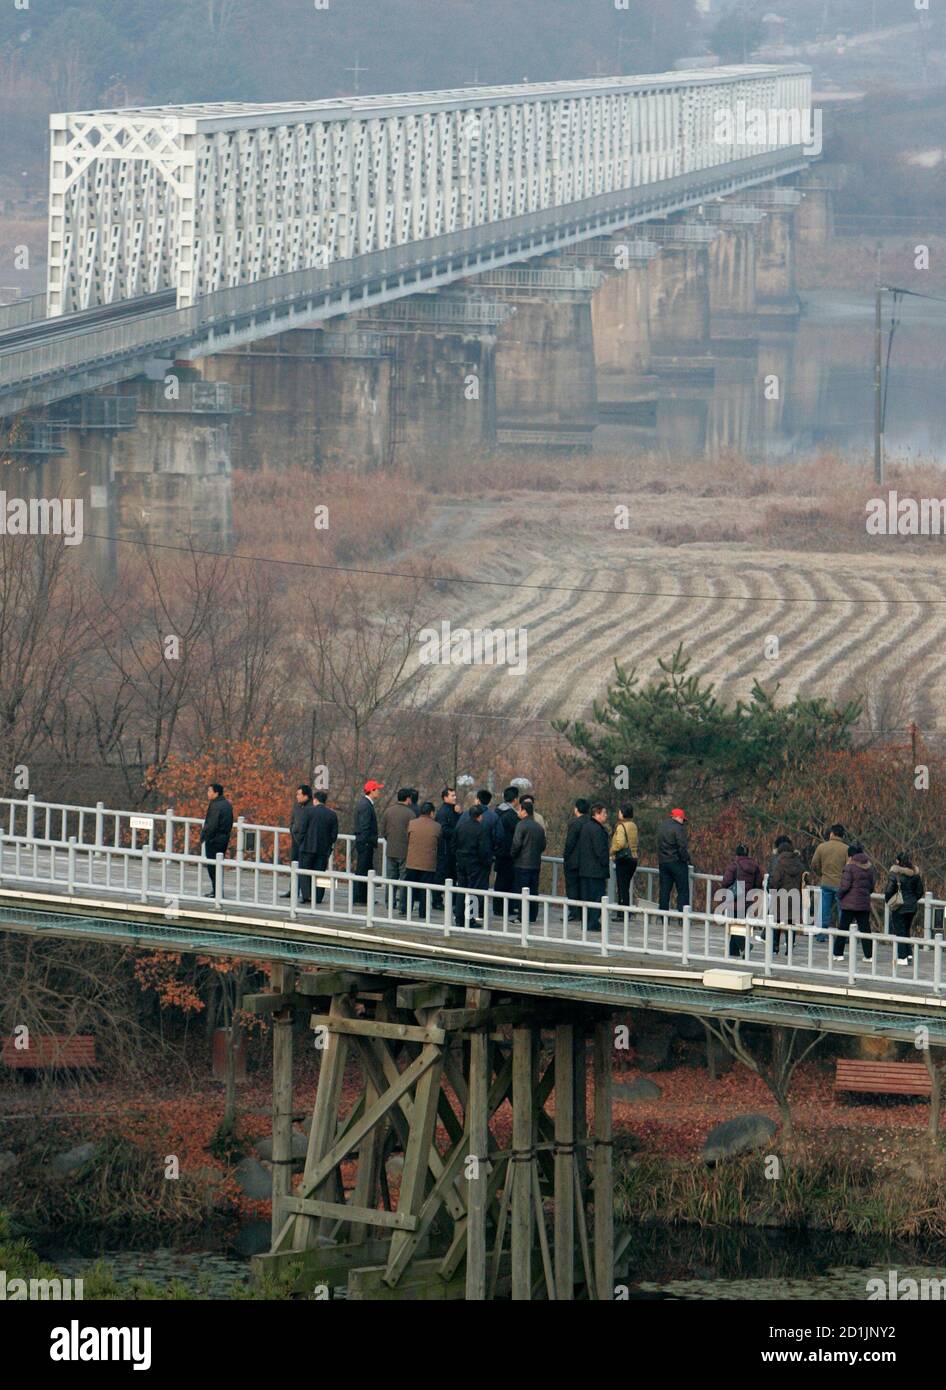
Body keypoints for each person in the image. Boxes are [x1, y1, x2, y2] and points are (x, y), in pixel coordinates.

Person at [720, 843, 763, 958]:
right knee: (739, 924)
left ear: (737, 853)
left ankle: (745, 946)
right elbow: (758, 884)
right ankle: (733, 951)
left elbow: (725, 882)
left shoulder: (734, 865)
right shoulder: (755, 866)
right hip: (748, 900)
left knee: (733, 924)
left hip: (734, 900)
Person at [834, 842, 876, 961]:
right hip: (863, 903)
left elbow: (845, 886)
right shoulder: (869, 867)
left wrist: (839, 895)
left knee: (843, 928)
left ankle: (838, 954)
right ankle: (869, 955)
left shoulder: (849, 867)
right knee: (865, 929)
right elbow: (872, 886)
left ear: (850, 856)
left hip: (849, 903)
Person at [455, 802, 493, 927]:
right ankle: (470, 919)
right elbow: (484, 849)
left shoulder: (460, 826)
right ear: (480, 816)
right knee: (473, 892)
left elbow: (453, 844)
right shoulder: (481, 829)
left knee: (461, 889)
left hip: (461, 862)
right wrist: (486, 863)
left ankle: (459, 917)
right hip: (475, 864)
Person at [809, 824, 848, 943]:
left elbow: (814, 864)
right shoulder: (846, 849)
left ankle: (821, 935)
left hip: (825, 882)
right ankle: (842, 937)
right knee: (842, 911)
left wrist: (821, 873)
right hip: (840, 884)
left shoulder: (822, 847)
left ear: (832, 833)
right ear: (843, 835)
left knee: (824, 910)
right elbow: (849, 867)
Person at [884, 852, 924, 967]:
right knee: (906, 929)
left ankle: (902, 957)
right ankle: (909, 953)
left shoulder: (895, 874)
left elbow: (889, 890)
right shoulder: (915, 875)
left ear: (897, 861)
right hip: (912, 906)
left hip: (900, 906)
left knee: (900, 931)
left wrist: (889, 901)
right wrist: (912, 900)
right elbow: (920, 891)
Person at [404, 801, 442, 918]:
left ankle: (406, 909)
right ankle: (423, 912)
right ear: (431, 813)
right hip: (428, 863)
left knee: (409, 887)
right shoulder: (437, 826)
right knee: (425, 889)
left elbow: (407, 838)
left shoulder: (412, 823)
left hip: (412, 861)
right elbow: (439, 842)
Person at [769, 836, 806, 955]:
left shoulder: (779, 864)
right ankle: (789, 947)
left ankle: (775, 947)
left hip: (781, 896)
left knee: (778, 922)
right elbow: (805, 879)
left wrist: (771, 889)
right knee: (791, 923)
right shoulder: (799, 864)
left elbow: (775, 880)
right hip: (795, 897)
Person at [511, 800, 546, 923]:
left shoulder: (521, 825)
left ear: (524, 811)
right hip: (535, 864)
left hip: (522, 864)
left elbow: (516, 844)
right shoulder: (539, 827)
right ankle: (532, 916)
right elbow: (543, 846)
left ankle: (522, 916)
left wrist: (513, 855)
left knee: (522, 891)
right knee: (533, 891)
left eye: (519, 809)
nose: (518, 812)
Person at [577, 804, 611, 931]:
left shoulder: (585, 827)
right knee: (596, 898)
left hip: (585, 869)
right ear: (597, 814)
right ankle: (593, 923)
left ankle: (586, 922)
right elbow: (600, 850)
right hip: (596, 871)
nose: (606, 816)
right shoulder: (598, 830)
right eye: (604, 813)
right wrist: (604, 863)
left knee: (586, 898)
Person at [382, 788, 414, 914]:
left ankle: (389, 903)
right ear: (407, 798)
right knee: (403, 879)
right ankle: (403, 905)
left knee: (390, 878)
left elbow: (383, 831)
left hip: (390, 849)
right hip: (405, 850)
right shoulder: (410, 814)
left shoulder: (388, 811)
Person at [304, 790, 338, 905]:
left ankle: (306, 895)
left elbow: (302, 829)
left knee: (305, 872)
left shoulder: (308, 812)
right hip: (324, 849)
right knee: (321, 873)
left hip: (308, 847)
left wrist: (302, 843)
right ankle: (318, 897)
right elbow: (334, 835)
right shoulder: (332, 814)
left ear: (315, 799)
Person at [353, 779, 384, 907]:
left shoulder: (364, 804)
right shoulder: (366, 805)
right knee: (363, 871)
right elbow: (365, 826)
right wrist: (366, 842)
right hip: (365, 844)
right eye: (377, 789)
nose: (379, 792)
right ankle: (360, 898)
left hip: (363, 843)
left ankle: (364, 897)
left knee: (365, 870)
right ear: (372, 791)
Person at [200, 783, 233, 897]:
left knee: (213, 866)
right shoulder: (227, 804)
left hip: (214, 840)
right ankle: (217, 891)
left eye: (210, 791)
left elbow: (212, 824)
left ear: (216, 793)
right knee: (217, 866)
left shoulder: (216, 805)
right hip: (223, 839)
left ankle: (217, 892)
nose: (208, 793)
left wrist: (204, 836)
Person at [657, 808, 690, 912]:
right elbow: (682, 847)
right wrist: (686, 859)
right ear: (678, 817)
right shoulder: (679, 828)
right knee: (683, 890)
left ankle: (663, 916)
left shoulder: (662, 826)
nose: (683, 822)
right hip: (677, 862)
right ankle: (683, 917)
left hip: (663, 862)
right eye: (683, 820)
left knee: (664, 890)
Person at [563, 798, 590, 921]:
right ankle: (583, 912)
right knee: (583, 888)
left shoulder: (575, 824)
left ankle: (574, 912)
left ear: (576, 809)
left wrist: (566, 856)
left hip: (573, 861)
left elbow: (570, 843)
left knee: (572, 887)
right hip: (586, 862)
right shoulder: (591, 822)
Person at [433, 787, 459, 908]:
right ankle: (437, 900)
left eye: (455, 795)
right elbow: (443, 830)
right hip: (444, 849)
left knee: (452, 875)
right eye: (452, 795)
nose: (455, 797)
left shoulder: (453, 810)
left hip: (452, 849)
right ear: (445, 797)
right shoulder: (443, 812)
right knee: (442, 875)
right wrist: (457, 832)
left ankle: (452, 900)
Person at [493, 786, 521, 896]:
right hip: (508, 854)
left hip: (497, 852)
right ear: (515, 799)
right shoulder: (512, 815)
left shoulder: (496, 811)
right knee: (507, 882)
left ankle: (497, 907)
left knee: (499, 880)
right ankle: (504, 909)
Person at [611, 803, 639, 908]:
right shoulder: (634, 825)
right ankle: (625, 911)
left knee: (622, 886)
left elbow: (620, 843)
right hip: (633, 857)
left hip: (623, 859)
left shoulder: (621, 826)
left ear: (623, 813)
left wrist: (612, 850)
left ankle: (622, 912)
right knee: (625, 886)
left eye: (619, 811)